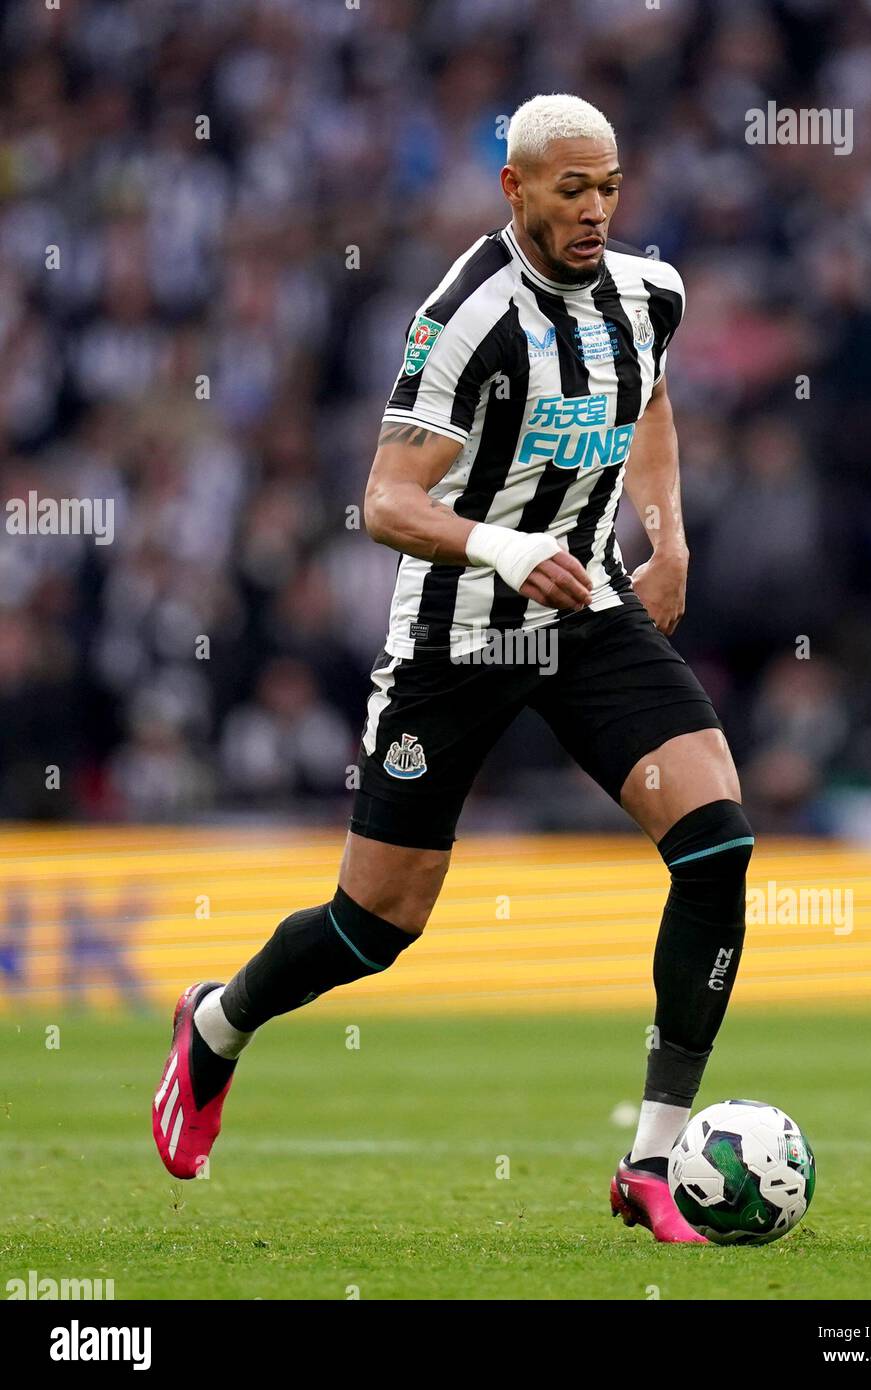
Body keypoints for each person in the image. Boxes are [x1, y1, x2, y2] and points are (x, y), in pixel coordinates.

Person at [152, 93, 753, 1244]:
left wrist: (666, 534)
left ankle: (653, 1162)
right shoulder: (468, 315)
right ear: (513, 189)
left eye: (609, 187)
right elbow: (384, 499)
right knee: (378, 924)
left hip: (583, 610)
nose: (594, 209)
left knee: (718, 844)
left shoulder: (650, 294)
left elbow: (655, 395)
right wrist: (502, 545)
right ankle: (217, 1023)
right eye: (569, 189)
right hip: (457, 637)